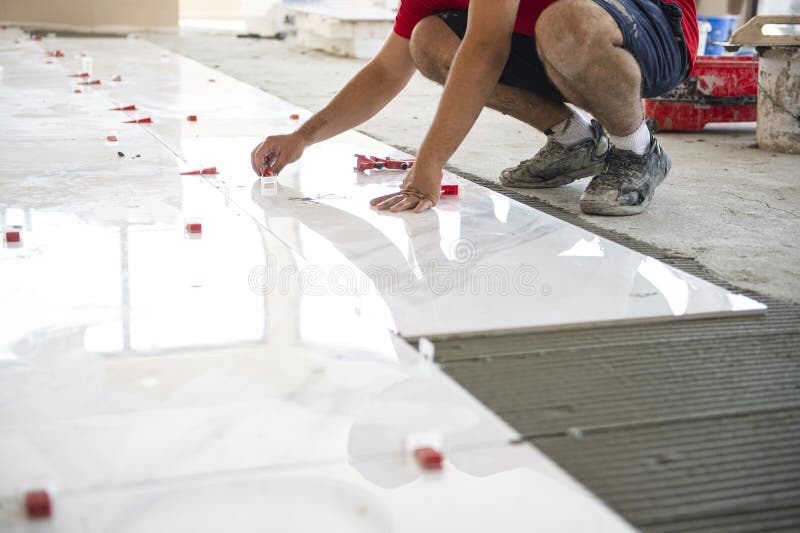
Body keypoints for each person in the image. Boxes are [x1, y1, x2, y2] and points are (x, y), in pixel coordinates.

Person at [251, 0, 698, 216]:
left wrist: (429, 165)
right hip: (558, 41)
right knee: (429, 38)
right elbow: (389, 69)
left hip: (646, 27)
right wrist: (303, 137)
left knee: (565, 26)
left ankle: (636, 149)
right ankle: (576, 141)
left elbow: (485, 51)